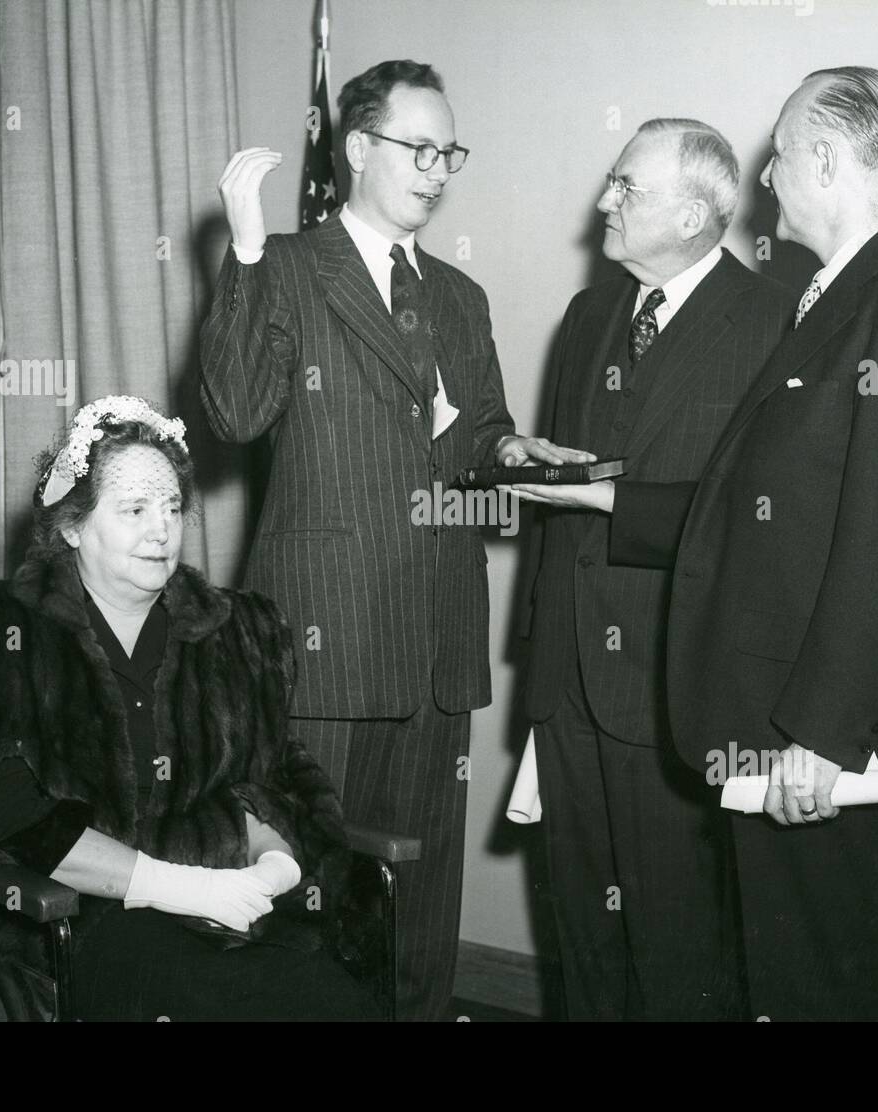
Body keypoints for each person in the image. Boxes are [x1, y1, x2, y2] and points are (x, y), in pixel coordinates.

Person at [199, 59, 588, 1020]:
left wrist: (511, 447)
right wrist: (246, 254)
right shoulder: (288, 267)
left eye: (448, 150)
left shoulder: (460, 295)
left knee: (422, 898)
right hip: (325, 639)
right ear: (358, 147)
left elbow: (477, 427)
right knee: (313, 892)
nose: (438, 168)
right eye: (419, 147)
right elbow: (238, 412)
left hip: (437, 638)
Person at [608, 67, 878, 1020]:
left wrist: (820, 736)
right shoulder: (848, 289)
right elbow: (775, 501)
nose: (767, 180)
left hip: (812, 739)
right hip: (775, 718)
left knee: (822, 984)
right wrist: (598, 498)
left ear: (823, 157)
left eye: (778, 154)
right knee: (787, 981)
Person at [0, 396, 375, 1021]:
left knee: (332, 1005)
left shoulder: (238, 632)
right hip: (77, 918)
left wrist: (273, 867)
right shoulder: (0, 632)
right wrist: (174, 886)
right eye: (134, 509)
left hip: (226, 912)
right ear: (72, 526)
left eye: (173, 507)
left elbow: (270, 781)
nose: (162, 529)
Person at [507, 120, 794, 1019]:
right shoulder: (591, 315)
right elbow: (562, 490)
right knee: (583, 954)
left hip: (677, 691)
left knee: (678, 956)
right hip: (566, 689)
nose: (604, 204)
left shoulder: (771, 322)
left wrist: (599, 498)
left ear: (698, 213)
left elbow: (755, 518)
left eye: (628, 188)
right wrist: (524, 458)